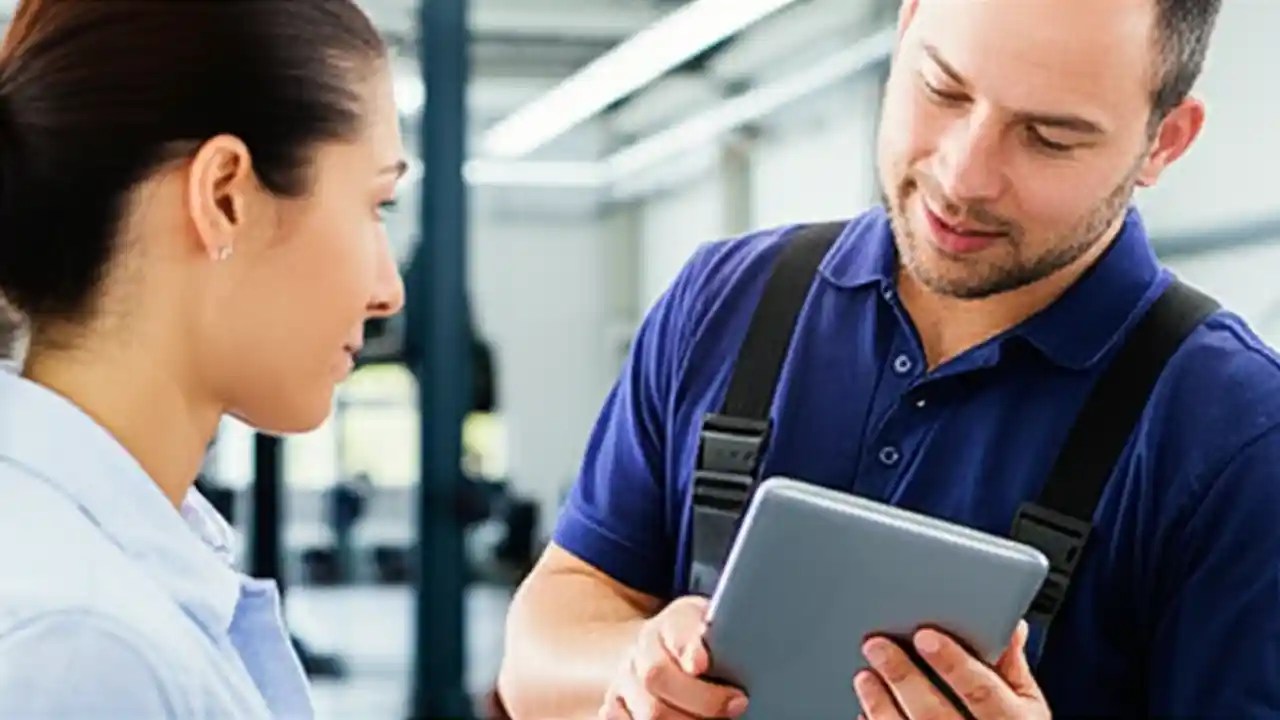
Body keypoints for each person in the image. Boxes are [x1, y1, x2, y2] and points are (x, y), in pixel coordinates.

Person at [498, 0, 1280, 718]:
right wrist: (632, 667)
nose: (962, 176)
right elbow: (536, 659)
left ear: (1164, 141)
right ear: (906, 26)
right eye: (941, 90)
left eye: (1048, 137)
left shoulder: (1238, 435)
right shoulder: (726, 300)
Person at [0, 0, 405, 717]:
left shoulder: (90, 573)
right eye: (378, 204)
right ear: (225, 197)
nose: (388, 292)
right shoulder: (84, 652)